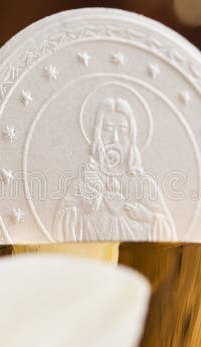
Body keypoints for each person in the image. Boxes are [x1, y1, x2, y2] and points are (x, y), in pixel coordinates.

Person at [53, 97, 176, 241]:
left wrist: (148, 217)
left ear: (131, 135)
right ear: (98, 134)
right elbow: (61, 220)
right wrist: (85, 207)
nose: (115, 139)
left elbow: (168, 231)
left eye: (122, 130)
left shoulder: (143, 183)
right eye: (107, 130)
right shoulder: (87, 180)